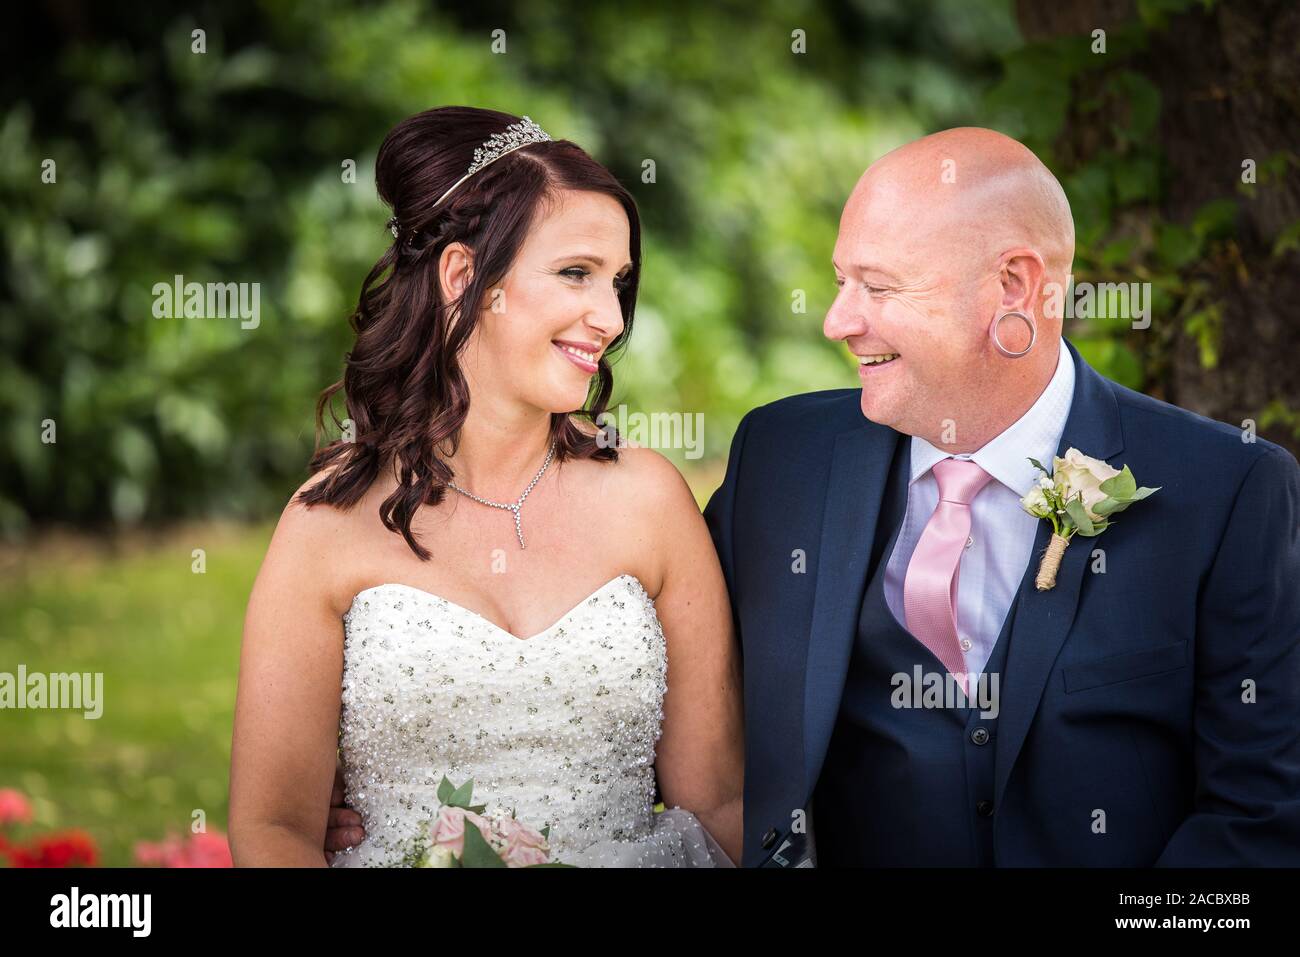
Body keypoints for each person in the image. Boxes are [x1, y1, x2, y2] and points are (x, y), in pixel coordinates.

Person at [705, 127, 1300, 866]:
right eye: (839, 281)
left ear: (1014, 286)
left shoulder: (1229, 489)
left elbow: (1260, 818)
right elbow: (670, 687)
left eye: (879, 286)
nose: (839, 321)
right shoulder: (781, 458)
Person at [228, 107, 743, 867]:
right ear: (464, 276)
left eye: (619, 283)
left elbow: (720, 805)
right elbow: (273, 829)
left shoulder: (650, 499)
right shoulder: (328, 522)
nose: (608, 318)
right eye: (576, 273)